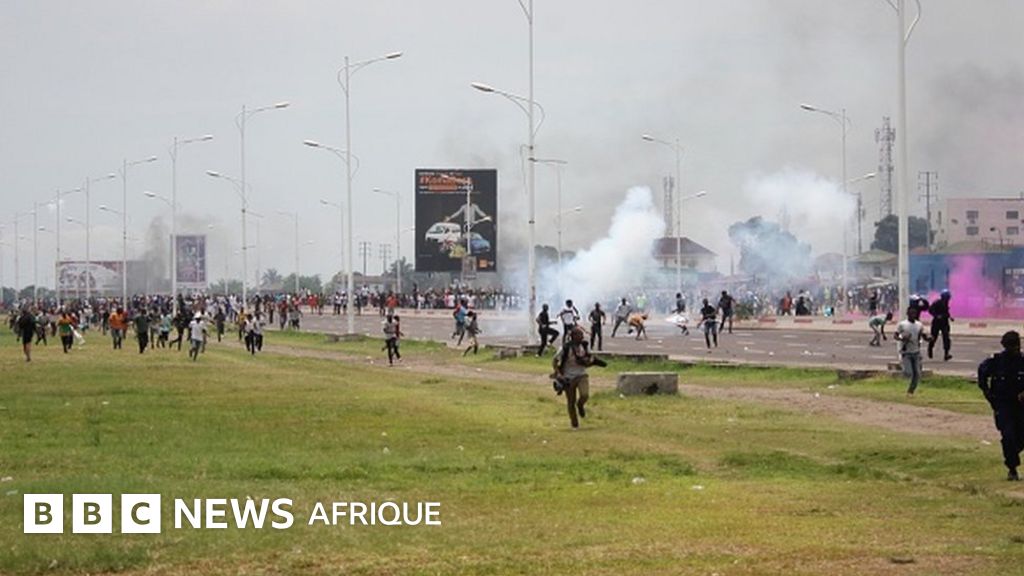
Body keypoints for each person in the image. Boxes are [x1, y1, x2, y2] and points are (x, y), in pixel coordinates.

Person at [978, 331, 1024, 481]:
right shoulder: (996, 361)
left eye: (1016, 346)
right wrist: (988, 395)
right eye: (1011, 346)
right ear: (1005, 346)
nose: (1015, 349)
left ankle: (1013, 453)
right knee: (1008, 435)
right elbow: (982, 374)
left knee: (1021, 436)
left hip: (1021, 405)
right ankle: (1012, 468)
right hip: (1003, 404)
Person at [551, 326, 605, 429]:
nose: (582, 337)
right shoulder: (565, 348)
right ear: (573, 336)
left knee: (585, 395)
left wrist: (591, 362)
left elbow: (588, 358)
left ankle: (580, 405)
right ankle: (574, 424)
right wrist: (559, 374)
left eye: (582, 335)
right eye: (579, 335)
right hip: (568, 378)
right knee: (571, 402)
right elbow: (554, 361)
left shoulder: (584, 346)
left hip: (581, 375)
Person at [895, 306, 931, 396]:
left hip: (916, 352)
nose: (912, 315)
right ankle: (903, 373)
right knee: (908, 372)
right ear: (907, 314)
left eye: (914, 313)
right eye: (911, 313)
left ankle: (910, 391)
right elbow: (895, 336)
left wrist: (929, 338)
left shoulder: (919, 325)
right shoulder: (902, 325)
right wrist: (902, 337)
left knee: (917, 374)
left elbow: (923, 335)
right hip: (906, 352)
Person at [927, 290, 954, 361]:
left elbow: (946, 312)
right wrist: (936, 316)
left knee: (946, 338)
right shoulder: (937, 302)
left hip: (944, 322)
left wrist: (949, 317)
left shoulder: (946, 304)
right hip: (937, 323)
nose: (948, 299)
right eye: (947, 297)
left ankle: (946, 354)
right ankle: (930, 348)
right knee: (934, 337)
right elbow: (930, 310)